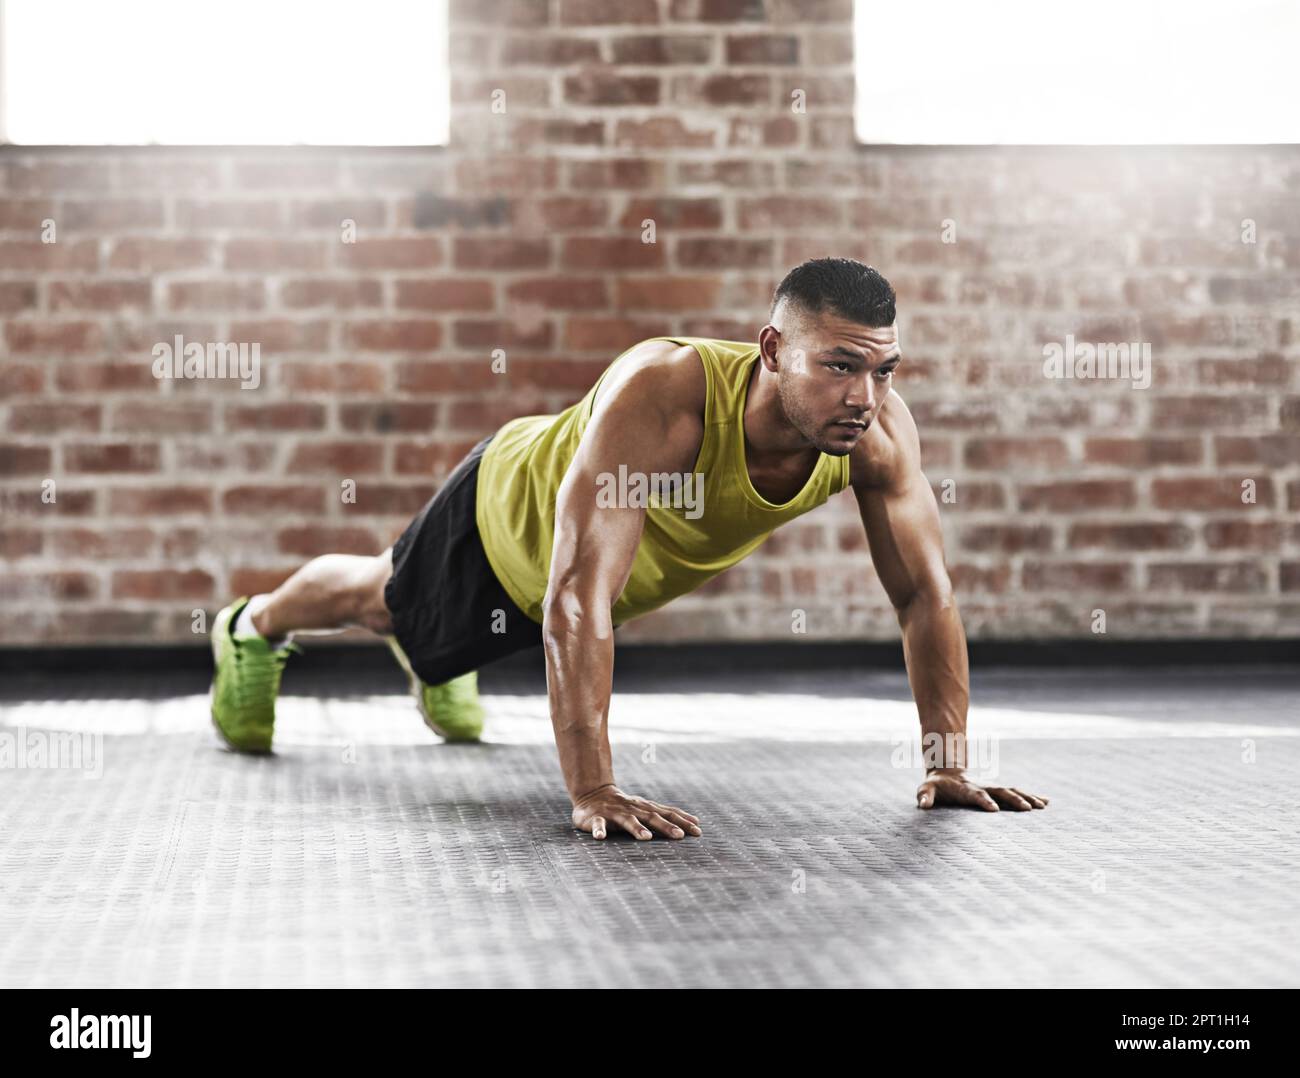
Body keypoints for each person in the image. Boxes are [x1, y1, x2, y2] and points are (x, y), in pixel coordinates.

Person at [209, 257, 1049, 840]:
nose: (864, 397)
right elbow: (576, 593)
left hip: (577, 590)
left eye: (884, 370)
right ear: (771, 350)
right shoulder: (668, 391)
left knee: (446, 643)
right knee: (385, 602)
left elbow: (924, 597)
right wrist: (593, 788)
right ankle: (252, 626)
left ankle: (449, 663)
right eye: (838, 367)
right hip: (509, 523)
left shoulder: (876, 436)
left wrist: (946, 765)